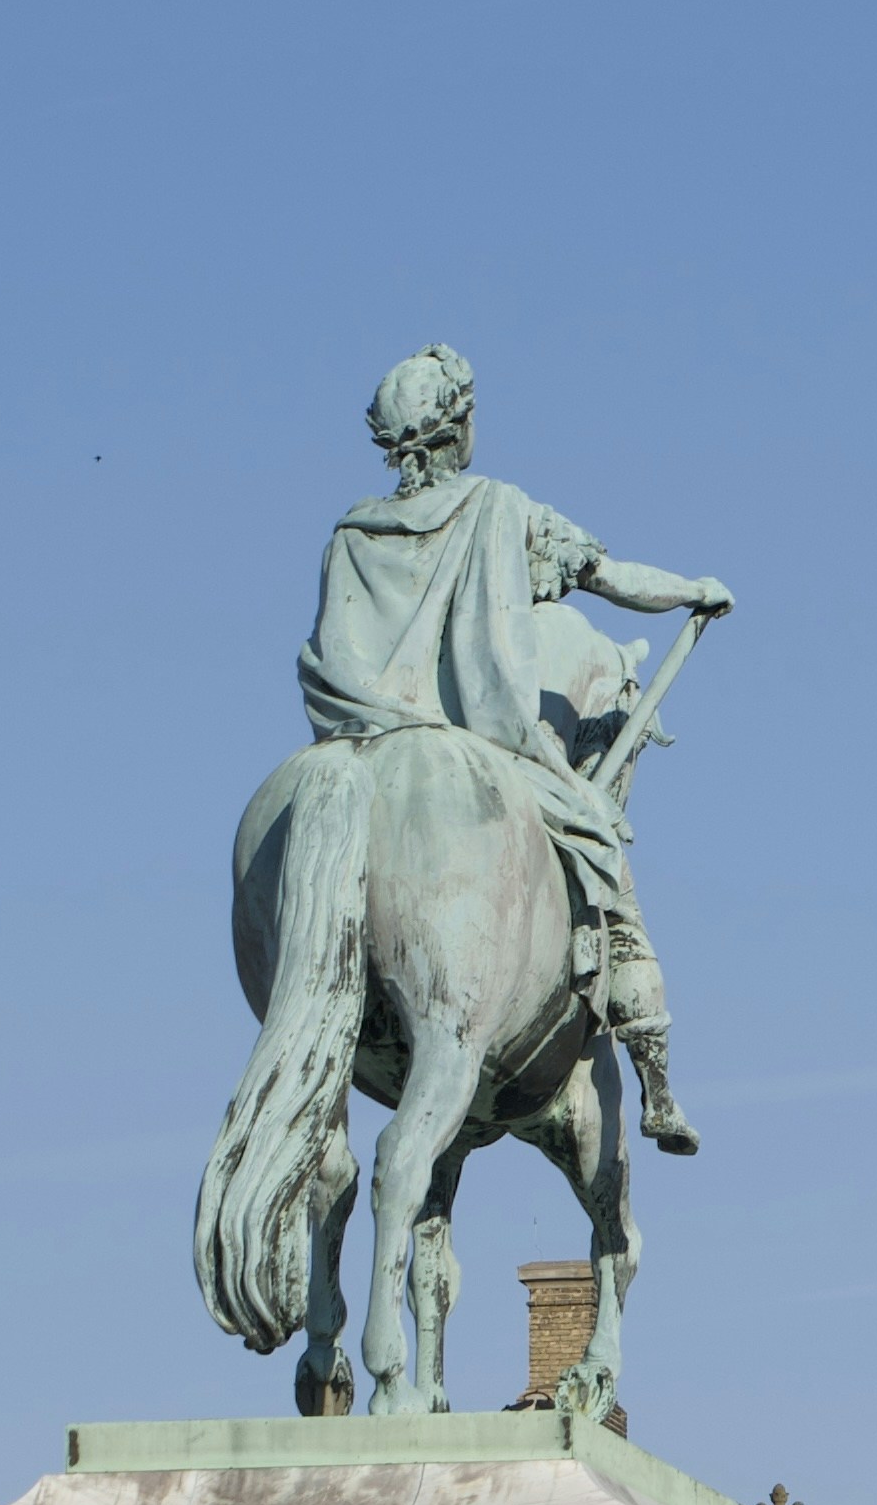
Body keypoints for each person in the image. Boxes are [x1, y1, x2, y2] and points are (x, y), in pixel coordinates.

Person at [299, 345, 734, 1151]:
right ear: (457, 431)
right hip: (484, 751)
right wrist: (696, 589)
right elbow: (612, 576)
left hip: (360, 750)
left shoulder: (350, 536)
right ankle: (653, 1069)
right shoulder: (498, 508)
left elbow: (334, 659)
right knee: (602, 853)